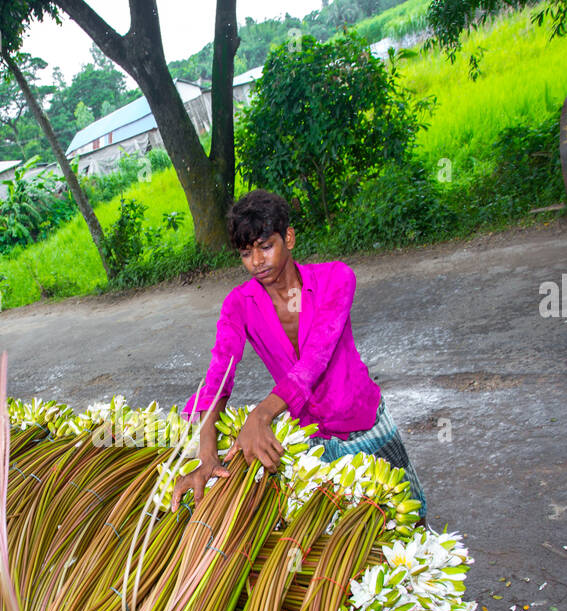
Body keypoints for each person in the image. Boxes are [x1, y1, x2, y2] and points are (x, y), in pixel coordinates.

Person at [169, 188, 427, 521]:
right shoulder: (239, 304)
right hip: (310, 437)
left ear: (288, 238)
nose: (257, 262)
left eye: (266, 247)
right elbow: (220, 374)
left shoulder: (336, 279)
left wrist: (261, 415)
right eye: (246, 253)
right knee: (340, 534)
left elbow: (315, 360)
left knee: (407, 518)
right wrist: (207, 455)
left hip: (363, 422)